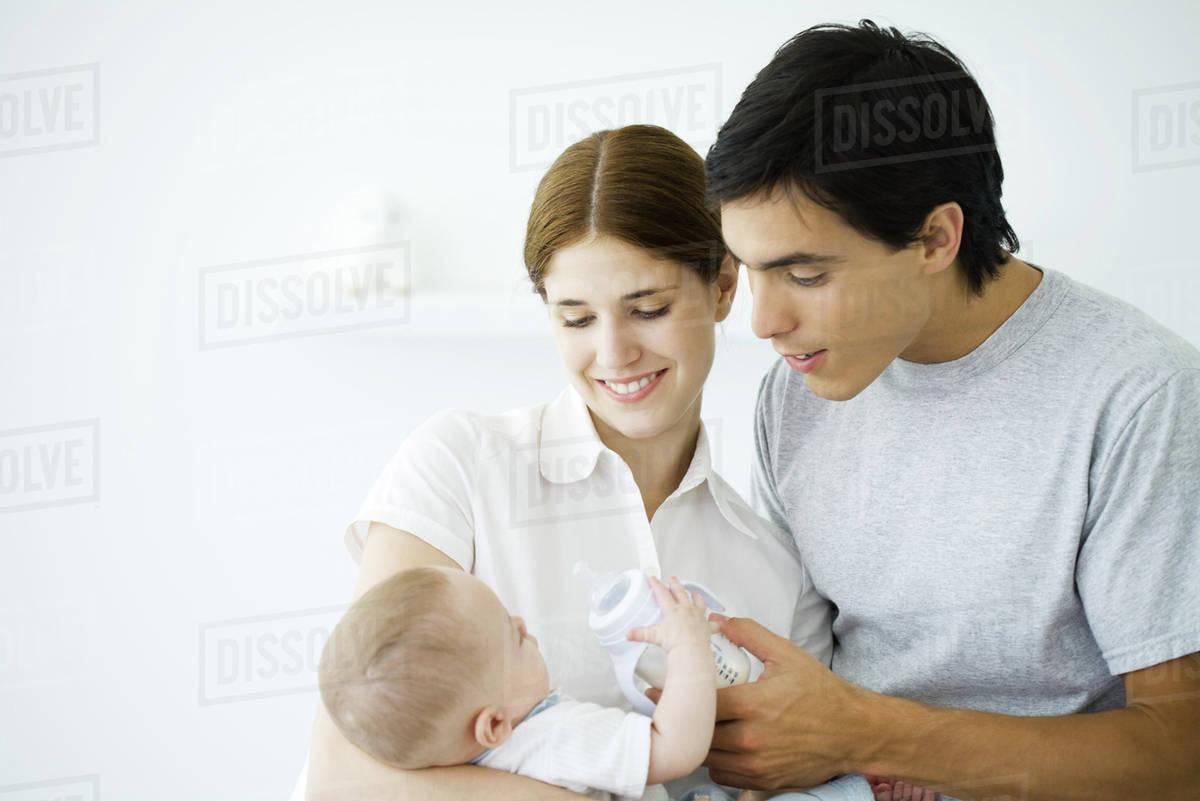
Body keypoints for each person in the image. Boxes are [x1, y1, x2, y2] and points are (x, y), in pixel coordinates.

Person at [680, 19, 1200, 801]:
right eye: (750, 270)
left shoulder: (1136, 396)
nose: (763, 322)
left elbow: (1180, 751)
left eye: (805, 275)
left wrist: (870, 731)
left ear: (935, 237)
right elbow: (798, 671)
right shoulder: (794, 393)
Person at [302, 124, 835, 801]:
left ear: (724, 286)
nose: (613, 353)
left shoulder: (773, 568)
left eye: (648, 309)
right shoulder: (460, 467)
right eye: (576, 319)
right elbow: (345, 777)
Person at [318, 566, 869, 801]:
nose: (523, 625)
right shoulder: (552, 736)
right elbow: (674, 749)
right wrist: (687, 649)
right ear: (492, 724)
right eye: (511, 637)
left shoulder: (478, 767)